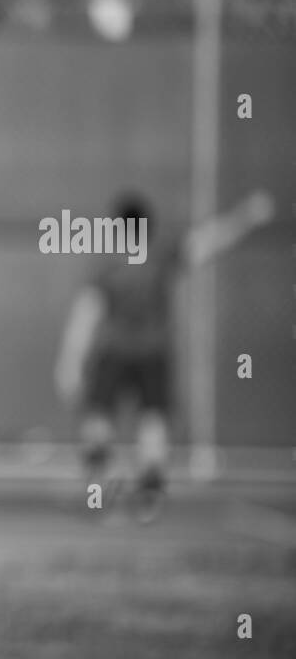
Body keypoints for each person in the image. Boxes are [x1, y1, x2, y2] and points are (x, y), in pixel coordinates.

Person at [54, 190, 273, 522]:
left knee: (103, 418)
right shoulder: (158, 252)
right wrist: (248, 215)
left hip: (117, 352)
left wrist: (70, 361)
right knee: (151, 422)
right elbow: (208, 242)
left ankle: (100, 492)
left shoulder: (109, 261)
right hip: (151, 353)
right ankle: (146, 498)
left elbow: (86, 314)